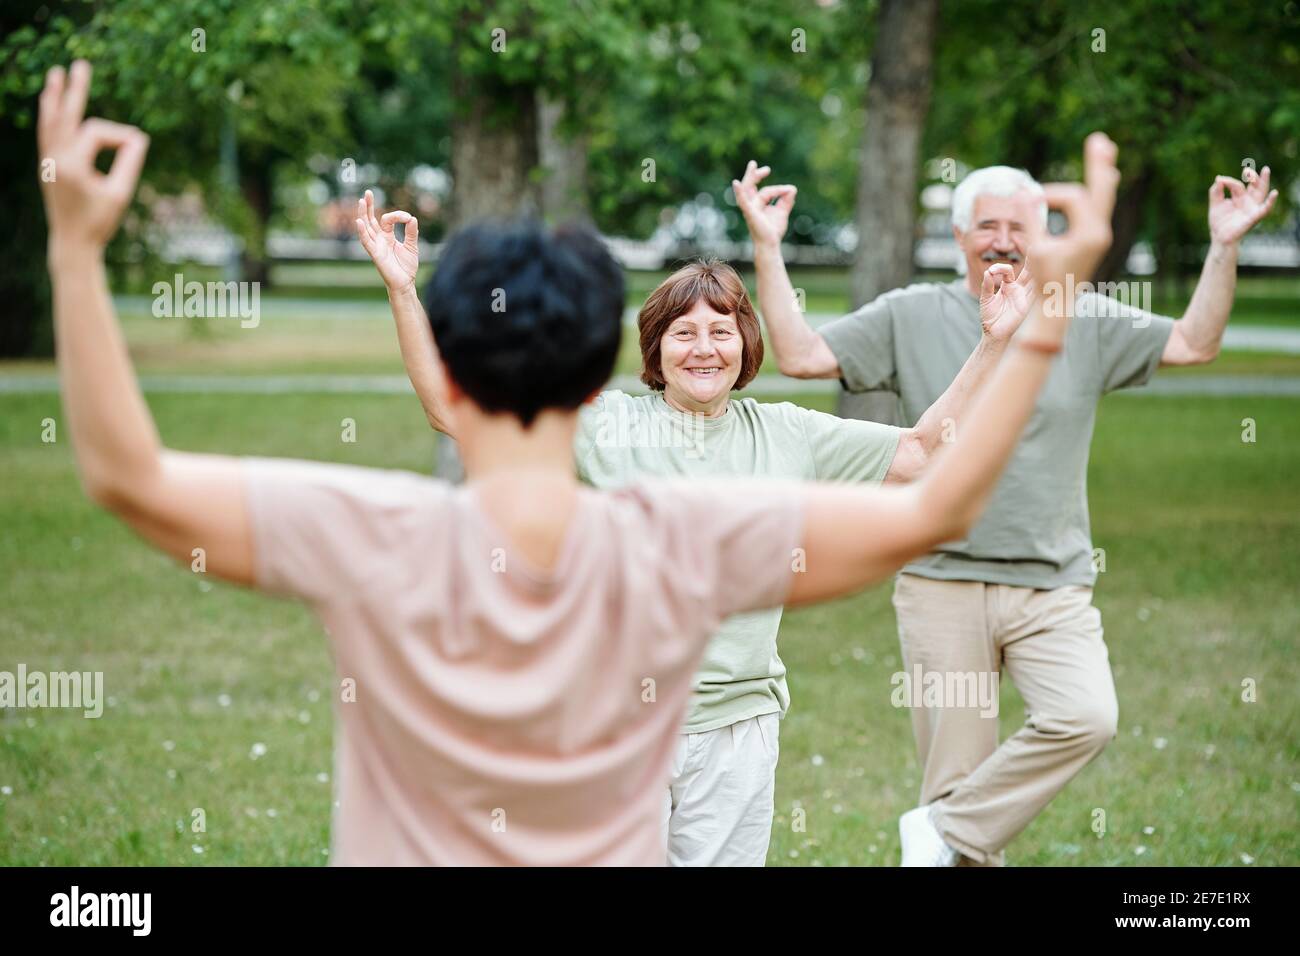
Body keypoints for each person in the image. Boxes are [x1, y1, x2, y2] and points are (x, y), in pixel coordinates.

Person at [40, 58, 1114, 866]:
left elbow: (126, 472)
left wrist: (76, 252)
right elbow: (940, 498)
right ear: (607, 363)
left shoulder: (372, 534)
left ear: (453, 378)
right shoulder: (683, 548)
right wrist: (1041, 326)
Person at [358, 193, 1033, 866]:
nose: (704, 349)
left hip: (739, 726)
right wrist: (402, 290)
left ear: (747, 342)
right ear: (657, 347)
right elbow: (456, 411)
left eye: (721, 331)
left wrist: (994, 343)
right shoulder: (608, 424)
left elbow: (919, 452)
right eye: (684, 333)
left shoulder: (789, 431)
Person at [733, 141, 1278, 867]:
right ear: (959, 235)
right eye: (987, 225)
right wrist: (768, 249)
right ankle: (948, 836)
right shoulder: (911, 314)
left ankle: (944, 833)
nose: (1003, 240)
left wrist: (1223, 245)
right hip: (940, 584)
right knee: (956, 785)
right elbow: (799, 355)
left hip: (1051, 583)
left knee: (1085, 717)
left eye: (1021, 226)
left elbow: (1195, 342)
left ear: (1045, 236)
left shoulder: (1079, 315)